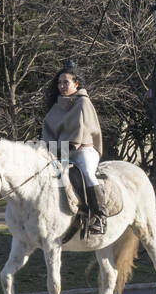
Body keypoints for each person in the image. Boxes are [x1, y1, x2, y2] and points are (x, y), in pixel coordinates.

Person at [42, 60, 107, 235]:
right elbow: (47, 129)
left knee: (87, 174)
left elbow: (82, 130)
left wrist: (67, 146)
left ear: (76, 84)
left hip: (83, 150)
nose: (62, 86)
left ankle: (100, 217)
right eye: (60, 82)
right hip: (60, 150)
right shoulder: (56, 106)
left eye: (66, 82)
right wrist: (47, 147)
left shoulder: (83, 103)